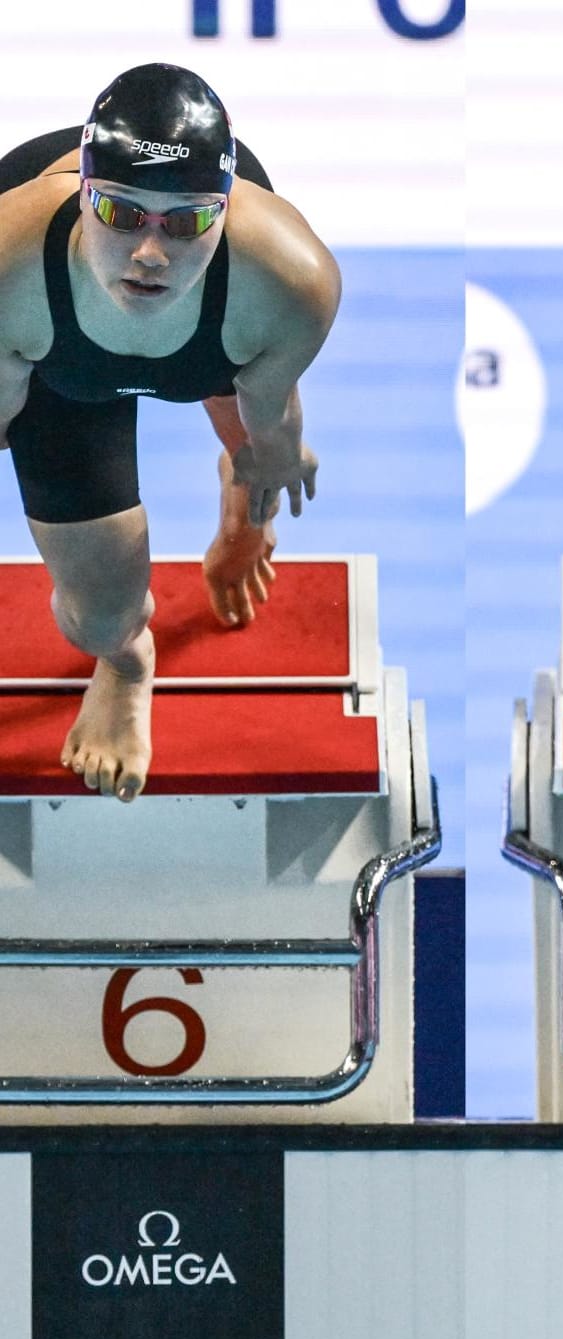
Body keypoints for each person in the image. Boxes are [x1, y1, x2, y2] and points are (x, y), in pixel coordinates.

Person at [0, 62, 341, 800]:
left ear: (224, 208)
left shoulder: (289, 278)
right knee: (100, 618)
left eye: (185, 222)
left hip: (219, 322)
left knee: (263, 451)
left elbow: (272, 412)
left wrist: (260, 488)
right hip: (49, 351)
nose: (151, 253)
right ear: (85, 194)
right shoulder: (9, 266)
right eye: (122, 215)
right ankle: (125, 660)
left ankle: (238, 512)